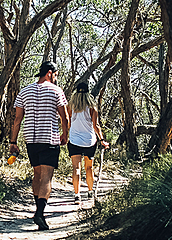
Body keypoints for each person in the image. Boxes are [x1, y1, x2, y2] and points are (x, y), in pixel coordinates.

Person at [10, 60, 69, 230]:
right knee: (46, 176)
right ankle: (40, 213)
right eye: (55, 75)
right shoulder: (56, 91)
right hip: (49, 138)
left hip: (31, 139)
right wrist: (65, 135)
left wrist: (13, 141)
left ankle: (38, 209)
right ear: (50, 73)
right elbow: (64, 117)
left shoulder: (24, 91)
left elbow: (17, 119)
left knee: (37, 174)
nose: (56, 78)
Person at [67, 81, 109, 203]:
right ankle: (90, 192)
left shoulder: (70, 106)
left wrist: (66, 133)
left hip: (74, 141)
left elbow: (68, 122)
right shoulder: (92, 107)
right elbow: (96, 125)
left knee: (76, 168)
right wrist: (102, 140)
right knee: (89, 167)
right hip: (89, 141)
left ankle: (77, 195)